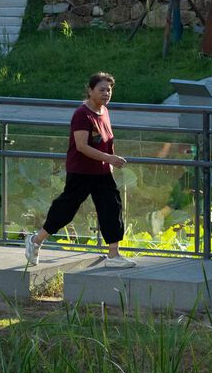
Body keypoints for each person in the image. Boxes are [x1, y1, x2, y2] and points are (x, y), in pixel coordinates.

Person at [25, 71, 134, 268]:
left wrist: (110, 162)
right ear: (90, 90)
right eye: (101, 90)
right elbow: (82, 146)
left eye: (109, 90)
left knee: (112, 207)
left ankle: (113, 255)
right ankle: (35, 240)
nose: (106, 94)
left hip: (102, 172)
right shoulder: (82, 115)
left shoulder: (105, 112)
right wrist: (109, 158)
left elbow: (107, 141)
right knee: (66, 210)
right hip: (82, 172)